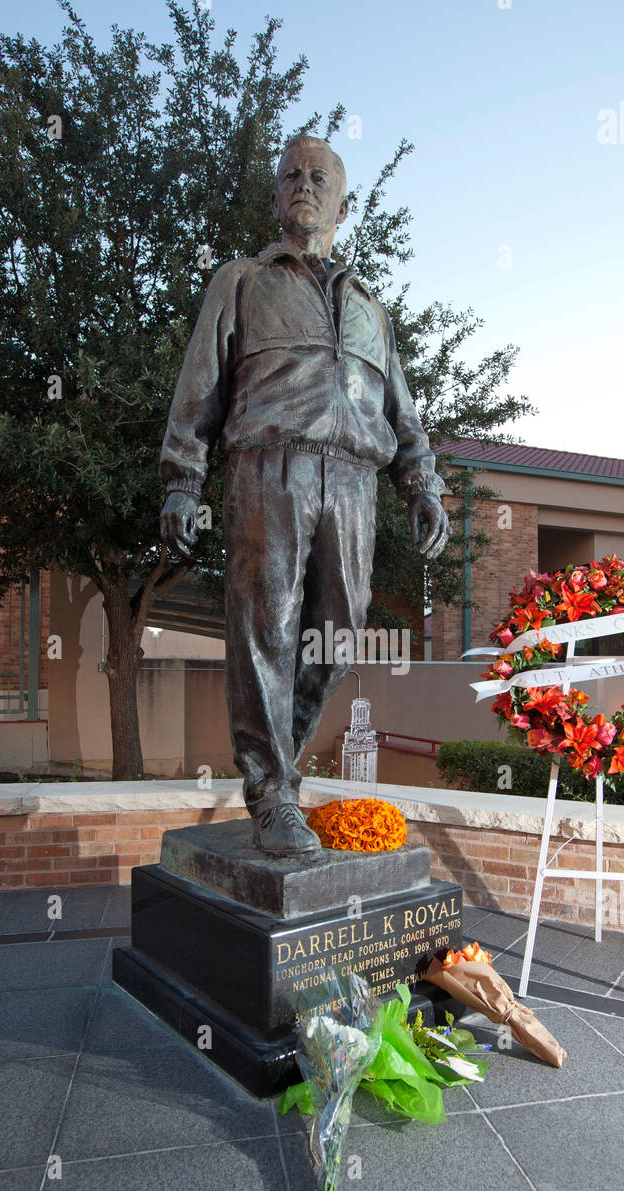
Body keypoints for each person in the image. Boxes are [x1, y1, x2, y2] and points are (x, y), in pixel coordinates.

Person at [160, 136, 449, 855]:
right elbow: (200, 388)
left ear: (344, 205)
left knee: (337, 634)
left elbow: (400, 411)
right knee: (266, 629)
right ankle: (271, 792)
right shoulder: (241, 281)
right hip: (270, 468)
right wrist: (182, 480)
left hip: (353, 481)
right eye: (291, 175)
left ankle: (278, 771)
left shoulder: (371, 311)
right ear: (274, 198)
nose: (303, 184)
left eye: (319, 177)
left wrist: (421, 483)